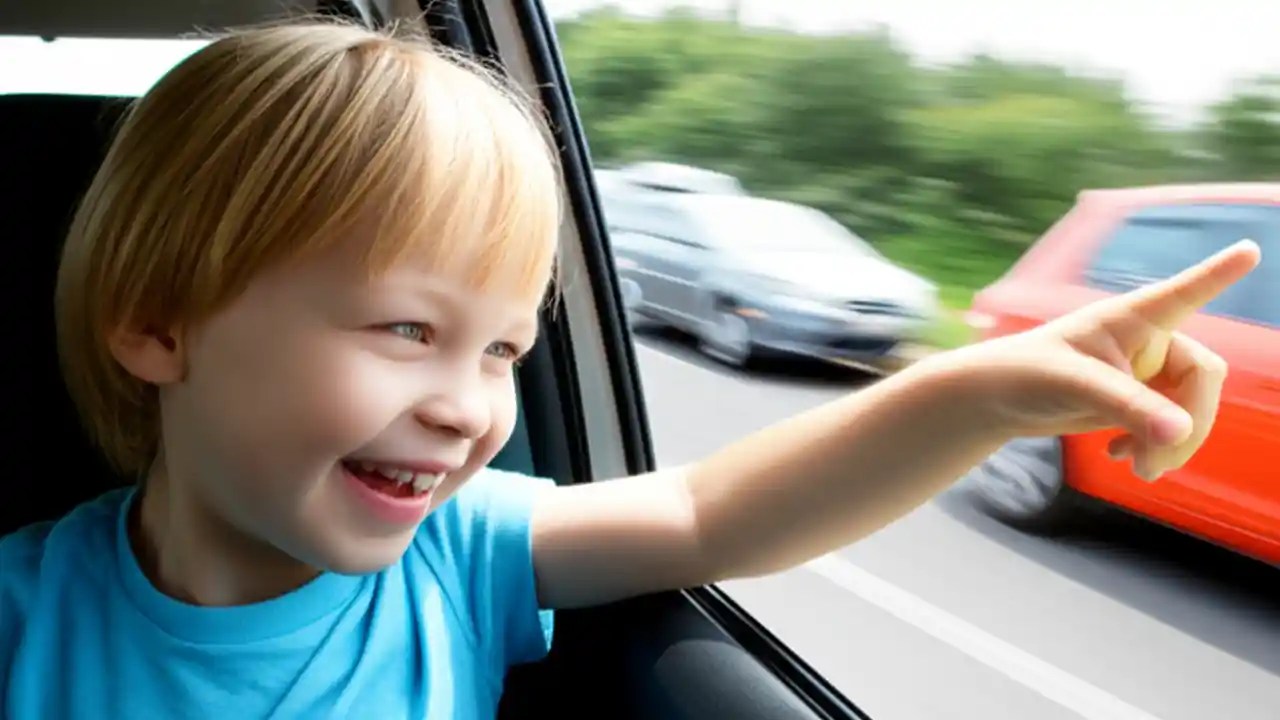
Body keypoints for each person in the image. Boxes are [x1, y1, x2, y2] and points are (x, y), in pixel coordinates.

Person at [0, 19, 1261, 720]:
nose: (469, 407)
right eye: (403, 331)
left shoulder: (459, 551)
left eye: (502, 349)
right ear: (160, 325)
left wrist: (975, 391)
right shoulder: (22, 611)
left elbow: (714, 512)